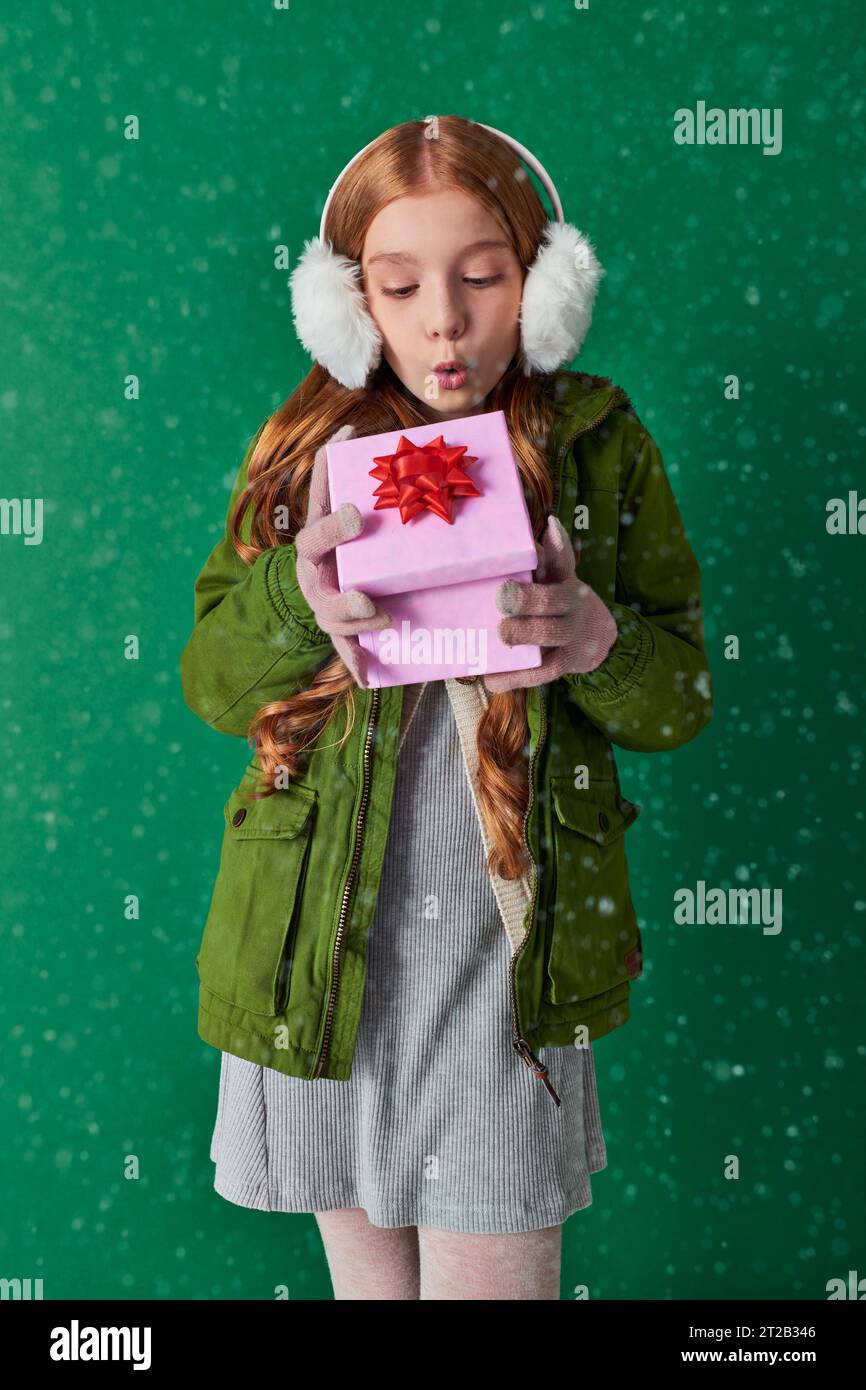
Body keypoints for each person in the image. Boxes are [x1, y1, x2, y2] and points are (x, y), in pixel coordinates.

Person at [180, 115, 713, 1300]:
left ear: (539, 280)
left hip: (500, 966)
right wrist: (292, 602)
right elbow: (211, 682)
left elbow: (680, 698)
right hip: (322, 956)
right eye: (399, 282)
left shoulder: (598, 444)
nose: (443, 319)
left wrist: (597, 643)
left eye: (482, 277)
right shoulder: (300, 451)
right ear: (348, 299)